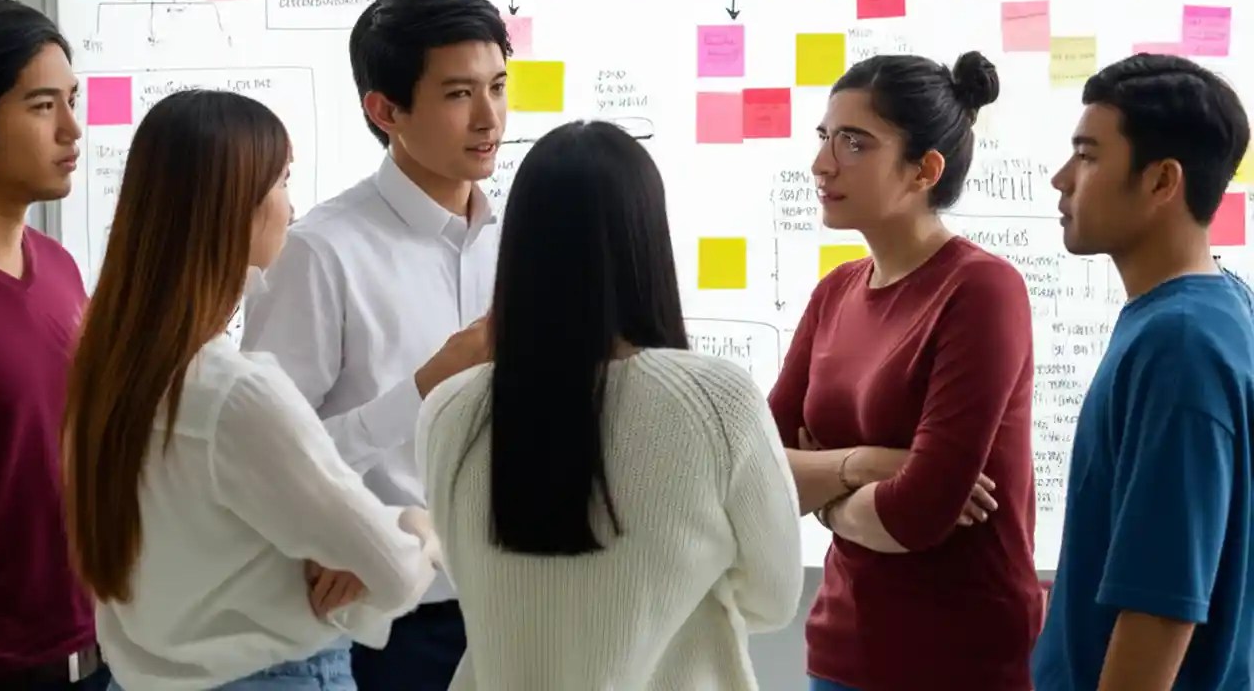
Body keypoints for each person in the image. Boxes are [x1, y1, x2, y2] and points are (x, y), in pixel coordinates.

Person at [62, 89, 443, 691]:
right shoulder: (236, 392)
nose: (291, 210)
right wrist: (419, 526)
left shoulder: (103, 374)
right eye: (283, 181)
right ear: (234, 208)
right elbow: (393, 571)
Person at [414, 119, 803, 690]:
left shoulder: (449, 409)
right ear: (647, 240)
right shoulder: (717, 400)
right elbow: (774, 598)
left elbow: (481, 577)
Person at [241, 0, 508, 689]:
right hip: (391, 629)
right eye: (458, 95)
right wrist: (421, 389)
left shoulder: (524, 243)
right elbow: (262, 459)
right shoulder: (320, 253)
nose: (490, 118)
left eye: (498, 87)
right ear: (384, 110)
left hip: (520, 608)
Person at [770, 52, 1045, 691]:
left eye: (854, 143)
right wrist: (864, 464)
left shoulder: (982, 290)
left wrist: (826, 496)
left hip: (961, 659)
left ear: (925, 169)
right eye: (824, 137)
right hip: (842, 648)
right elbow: (755, 470)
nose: (822, 164)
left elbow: (918, 514)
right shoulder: (835, 291)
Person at [1032, 54, 1254, 691]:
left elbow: (1160, 605)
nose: (1061, 178)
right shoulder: (1209, 307)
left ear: (1162, 182)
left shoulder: (1180, 344)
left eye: (1088, 155)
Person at [0, 0, 109, 690]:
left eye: (73, 101)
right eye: (41, 106)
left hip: (88, 647)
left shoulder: (58, 267)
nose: (73, 129)